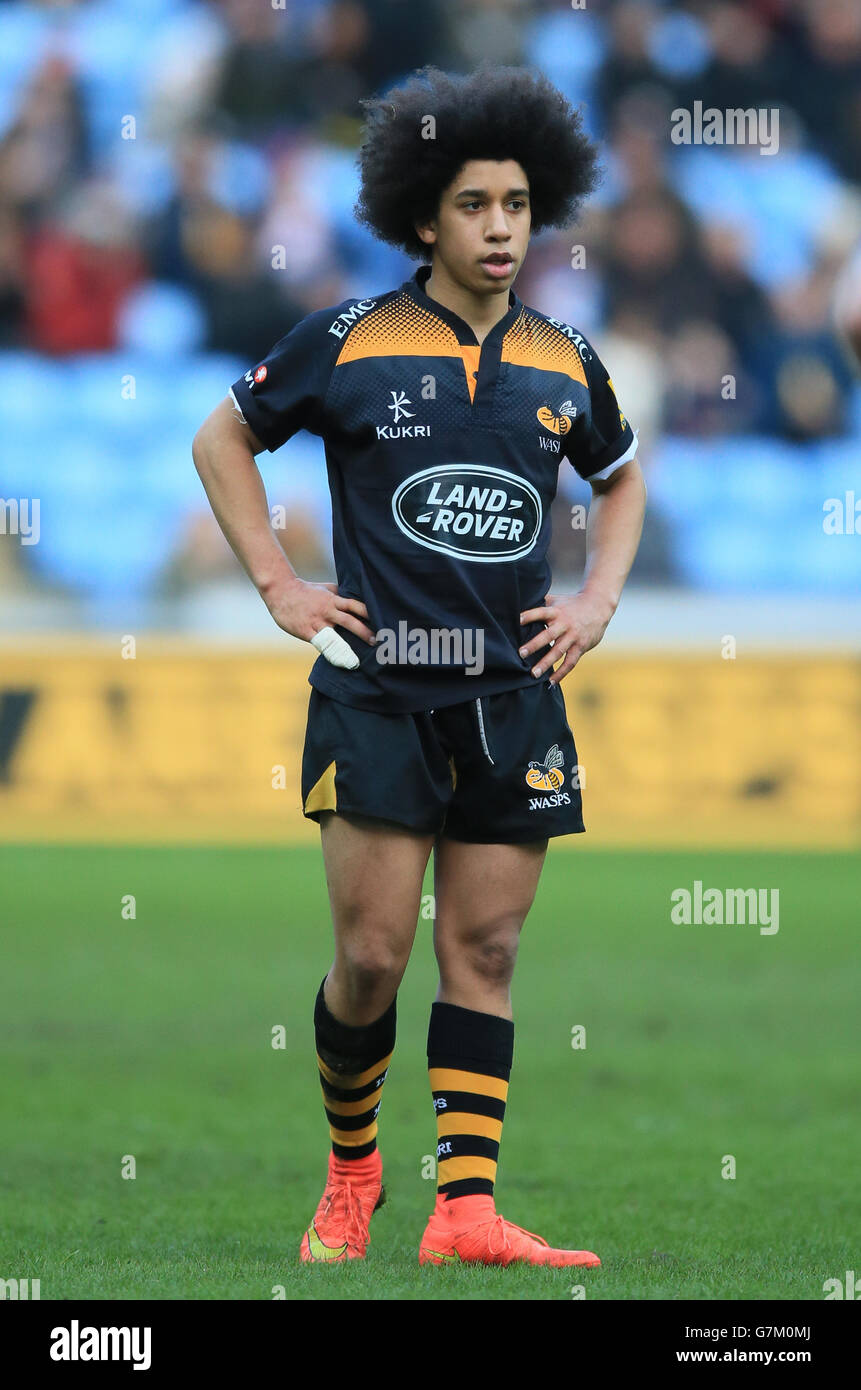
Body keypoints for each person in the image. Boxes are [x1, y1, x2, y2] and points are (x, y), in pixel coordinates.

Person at [192, 63, 646, 1270]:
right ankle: (353, 1172)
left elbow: (624, 474)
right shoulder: (348, 340)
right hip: (380, 690)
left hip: (513, 696)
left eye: (515, 204)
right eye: (473, 205)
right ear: (420, 219)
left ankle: (467, 1210)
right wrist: (280, 585)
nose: (501, 227)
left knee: (485, 951)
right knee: (373, 958)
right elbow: (222, 435)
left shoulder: (565, 360)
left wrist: (597, 594)